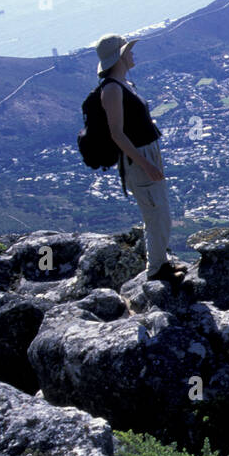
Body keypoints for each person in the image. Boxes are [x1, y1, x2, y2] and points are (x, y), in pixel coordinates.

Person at [95, 33, 186, 284]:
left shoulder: (124, 84)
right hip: (139, 159)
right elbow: (117, 133)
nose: (133, 54)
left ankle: (160, 262)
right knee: (156, 212)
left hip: (147, 153)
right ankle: (156, 270)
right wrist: (145, 163)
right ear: (120, 56)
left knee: (159, 211)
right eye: (128, 51)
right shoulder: (112, 89)